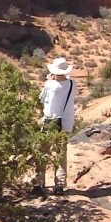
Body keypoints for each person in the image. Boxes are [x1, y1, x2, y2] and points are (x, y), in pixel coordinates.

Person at [34, 56, 76, 196]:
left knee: (43, 151)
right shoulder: (72, 84)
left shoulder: (50, 84)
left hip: (50, 121)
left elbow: (42, 98)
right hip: (64, 122)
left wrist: (49, 80)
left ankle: (40, 183)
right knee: (61, 152)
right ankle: (60, 185)